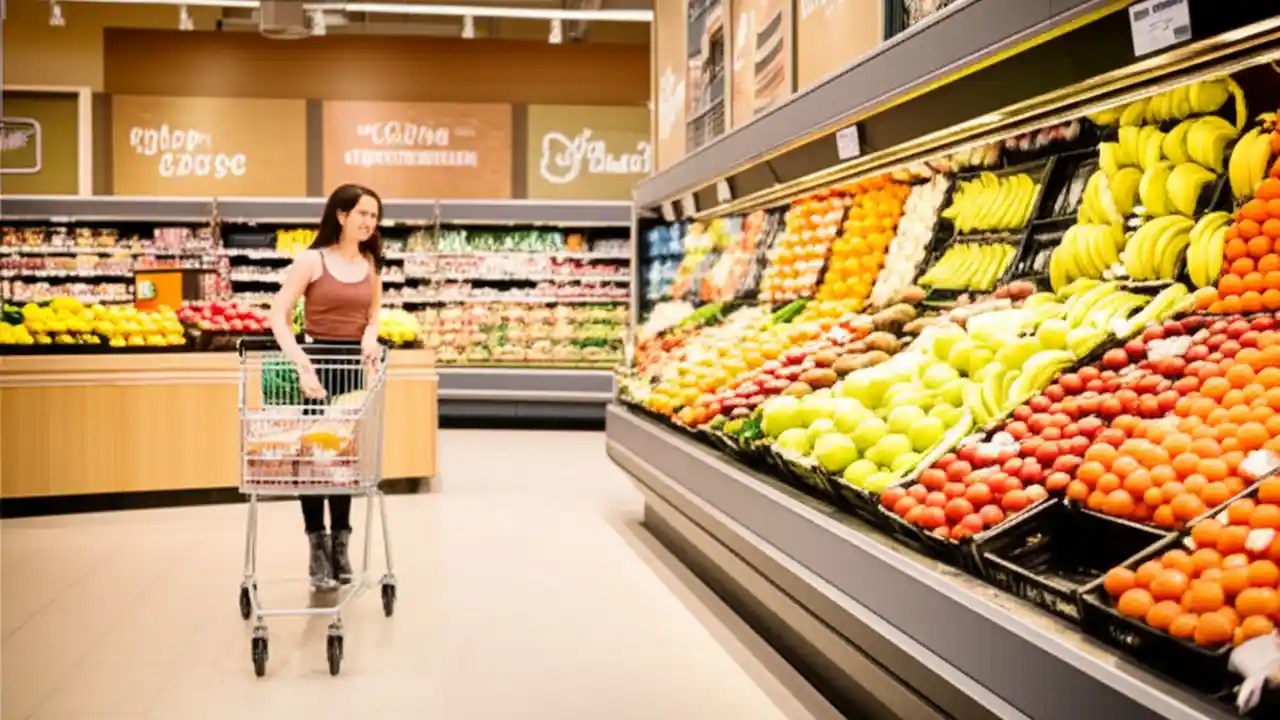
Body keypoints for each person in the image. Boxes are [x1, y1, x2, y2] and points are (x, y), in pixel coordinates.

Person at [269, 183, 384, 590]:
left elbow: (373, 316)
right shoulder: (312, 261)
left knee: (343, 461)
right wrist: (301, 364)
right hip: (316, 370)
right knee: (314, 462)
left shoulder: (370, 264)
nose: (369, 222)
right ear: (341, 216)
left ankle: (341, 544)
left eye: (374, 216)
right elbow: (278, 315)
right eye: (363, 214)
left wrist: (370, 339)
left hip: (351, 370)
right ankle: (316, 546)